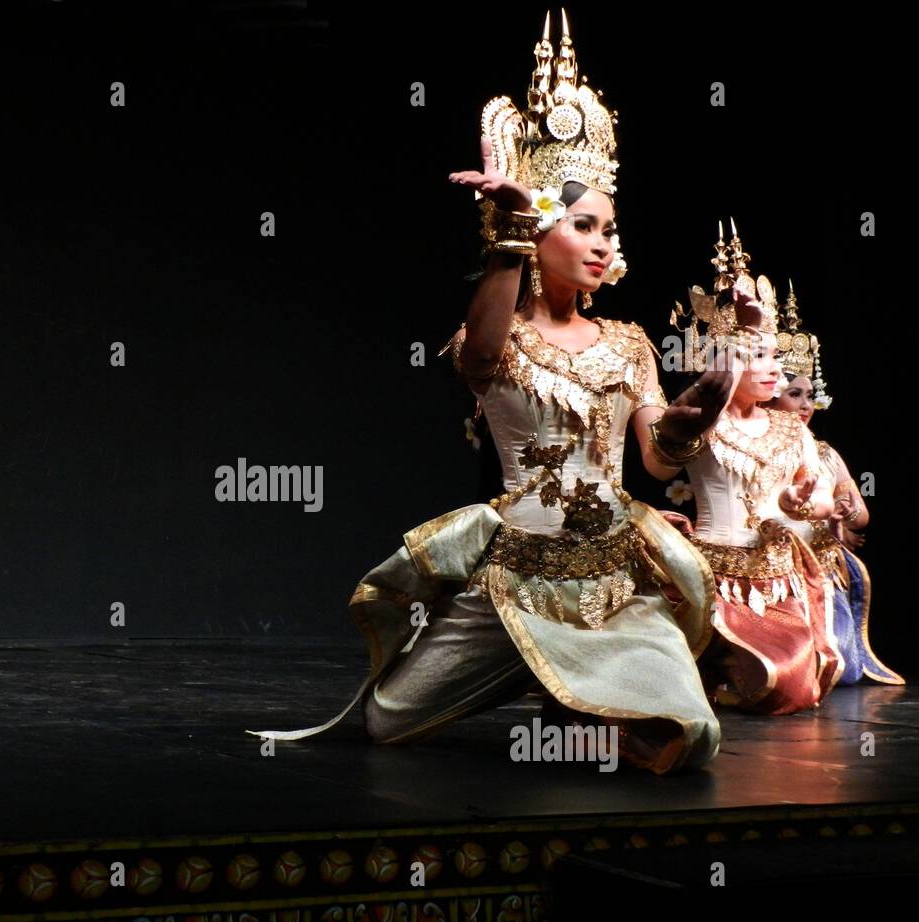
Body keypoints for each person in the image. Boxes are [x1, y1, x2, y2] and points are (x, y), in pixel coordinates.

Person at [251, 14, 733, 773]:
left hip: (612, 585)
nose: (605, 242)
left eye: (609, 226)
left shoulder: (631, 342)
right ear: (541, 236)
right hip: (516, 584)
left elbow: (659, 460)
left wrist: (685, 419)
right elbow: (479, 354)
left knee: (693, 734)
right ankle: (550, 678)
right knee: (385, 722)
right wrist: (511, 229)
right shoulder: (503, 336)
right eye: (581, 224)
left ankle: (579, 700)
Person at [663, 229, 839, 713]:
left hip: (778, 581)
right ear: (725, 362)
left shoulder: (791, 428)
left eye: (776, 358)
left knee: (795, 681)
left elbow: (822, 498)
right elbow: (671, 435)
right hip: (709, 578)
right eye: (758, 357)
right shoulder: (699, 424)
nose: (776, 374)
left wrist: (802, 503)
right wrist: (740, 335)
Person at [763, 286, 903, 685]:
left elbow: (861, 516)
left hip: (821, 573)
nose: (806, 405)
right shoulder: (755, 445)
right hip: (771, 567)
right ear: (771, 396)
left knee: (844, 671)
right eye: (794, 395)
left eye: (810, 395)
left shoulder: (825, 453)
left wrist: (844, 514)